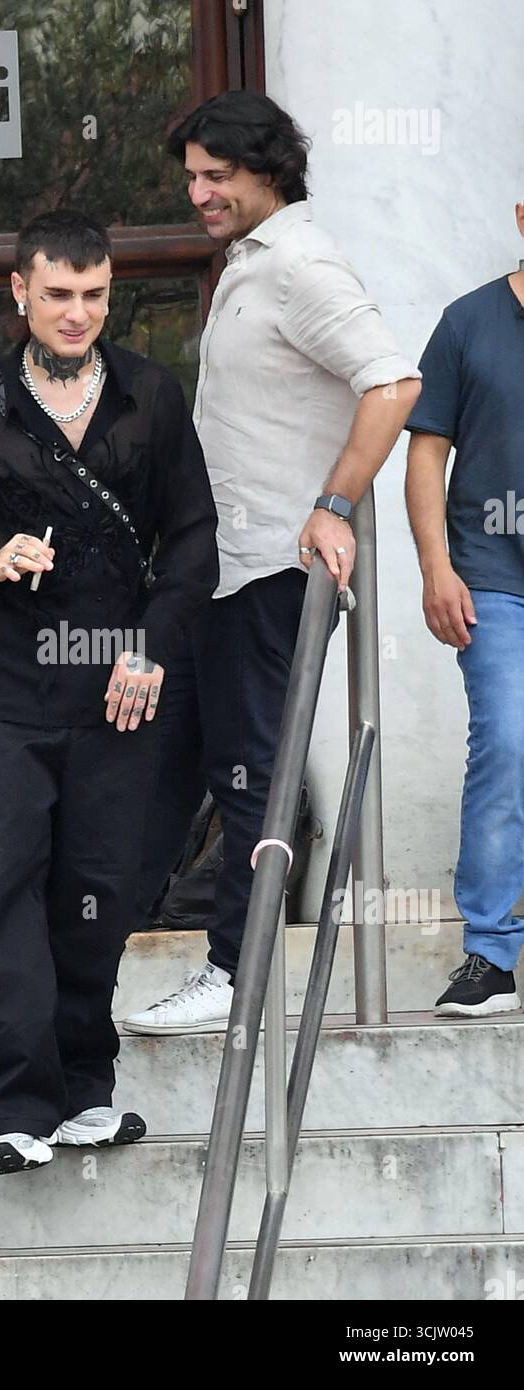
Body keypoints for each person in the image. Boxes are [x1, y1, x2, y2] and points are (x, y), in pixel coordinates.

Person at [0, 209, 218, 1176]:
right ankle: (6, 1106)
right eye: (58, 295)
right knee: (4, 886)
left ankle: (85, 1089)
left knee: (97, 891)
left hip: (116, 689)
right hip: (6, 691)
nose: (76, 313)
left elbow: (194, 541)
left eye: (92, 295)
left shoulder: (152, 397)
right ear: (20, 293)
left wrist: (153, 652)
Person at [124, 91, 421, 1035]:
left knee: (252, 767)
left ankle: (232, 969)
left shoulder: (301, 261)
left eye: (217, 176)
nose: (201, 194)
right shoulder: (250, 265)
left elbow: (393, 378)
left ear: (268, 169)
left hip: (276, 571)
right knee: (191, 760)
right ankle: (145, 941)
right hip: (223, 564)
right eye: (192, 180)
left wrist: (334, 504)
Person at [405, 197, 524, 1017]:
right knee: (510, 743)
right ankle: (489, 951)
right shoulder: (467, 321)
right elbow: (426, 453)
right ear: (520, 216)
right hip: (492, 576)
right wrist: (436, 568)